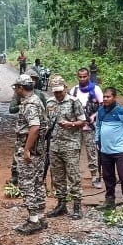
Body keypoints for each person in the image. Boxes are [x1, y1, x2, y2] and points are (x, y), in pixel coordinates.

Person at [44, 75, 86, 220]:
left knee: (73, 176)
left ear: (66, 88)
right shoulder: (49, 103)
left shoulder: (74, 102)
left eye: (60, 91)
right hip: (55, 146)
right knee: (57, 176)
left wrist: (71, 124)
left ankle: (77, 206)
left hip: (71, 145)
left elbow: (83, 121)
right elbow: (47, 122)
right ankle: (61, 204)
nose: (58, 94)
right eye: (55, 92)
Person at [12, 74, 47, 234]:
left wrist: (26, 149)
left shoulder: (30, 104)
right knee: (38, 182)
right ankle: (40, 217)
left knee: (27, 183)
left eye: (16, 87)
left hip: (31, 151)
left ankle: (33, 220)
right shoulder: (35, 100)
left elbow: (34, 127)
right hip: (38, 149)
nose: (15, 90)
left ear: (20, 88)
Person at [95, 87, 123, 210]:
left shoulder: (120, 111)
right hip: (104, 150)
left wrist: (120, 139)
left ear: (114, 97)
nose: (106, 99)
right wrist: (98, 140)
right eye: (104, 96)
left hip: (119, 150)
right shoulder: (101, 111)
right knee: (108, 176)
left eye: (108, 96)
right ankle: (109, 200)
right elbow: (98, 126)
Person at [68, 66, 103, 187]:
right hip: (76, 127)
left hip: (90, 127)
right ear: (77, 77)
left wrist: (93, 117)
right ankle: (74, 179)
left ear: (88, 76)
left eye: (84, 76)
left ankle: (94, 177)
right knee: (73, 153)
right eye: (80, 76)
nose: (82, 79)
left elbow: (102, 106)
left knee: (92, 153)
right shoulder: (74, 90)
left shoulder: (96, 89)